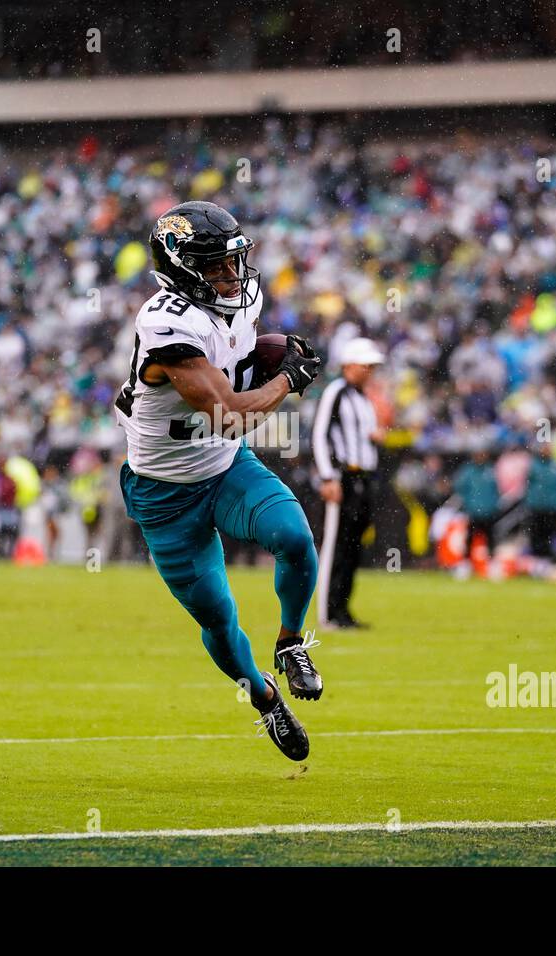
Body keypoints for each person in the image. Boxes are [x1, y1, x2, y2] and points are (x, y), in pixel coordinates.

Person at [114, 201, 324, 762]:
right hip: (164, 492)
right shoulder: (166, 324)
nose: (232, 277)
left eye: (235, 263)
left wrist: (275, 356)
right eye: (216, 266)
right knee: (217, 614)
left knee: (295, 538)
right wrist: (287, 382)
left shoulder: (239, 300)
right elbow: (228, 411)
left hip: (226, 465)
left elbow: (238, 355)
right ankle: (264, 696)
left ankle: (291, 642)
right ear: (181, 268)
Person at [311, 336, 385, 629]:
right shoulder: (336, 392)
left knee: (354, 545)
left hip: (363, 478)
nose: (370, 371)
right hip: (343, 476)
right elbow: (319, 434)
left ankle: (343, 610)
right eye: (366, 365)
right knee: (336, 545)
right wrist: (328, 476)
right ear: (349, 364)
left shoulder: (362, 397)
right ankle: (327, 613)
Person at [454, 448, 501, 564]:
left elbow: (497, 489)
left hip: (489, 511)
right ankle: (466, 563)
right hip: (473, 511)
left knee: (490, 539)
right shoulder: (468, 471)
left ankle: (491, 563)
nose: (480, 457)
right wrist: (468, 504)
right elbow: (459, 488)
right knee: (469, 539)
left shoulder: (491, 470)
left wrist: (493, 505)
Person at [524, 442, 556, 573]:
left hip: (551, 507)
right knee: (536, 536)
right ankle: (537, 564)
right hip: (537, 507)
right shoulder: (534, 466)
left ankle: (548, 563)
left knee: (549, 536)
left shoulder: (555, 465)